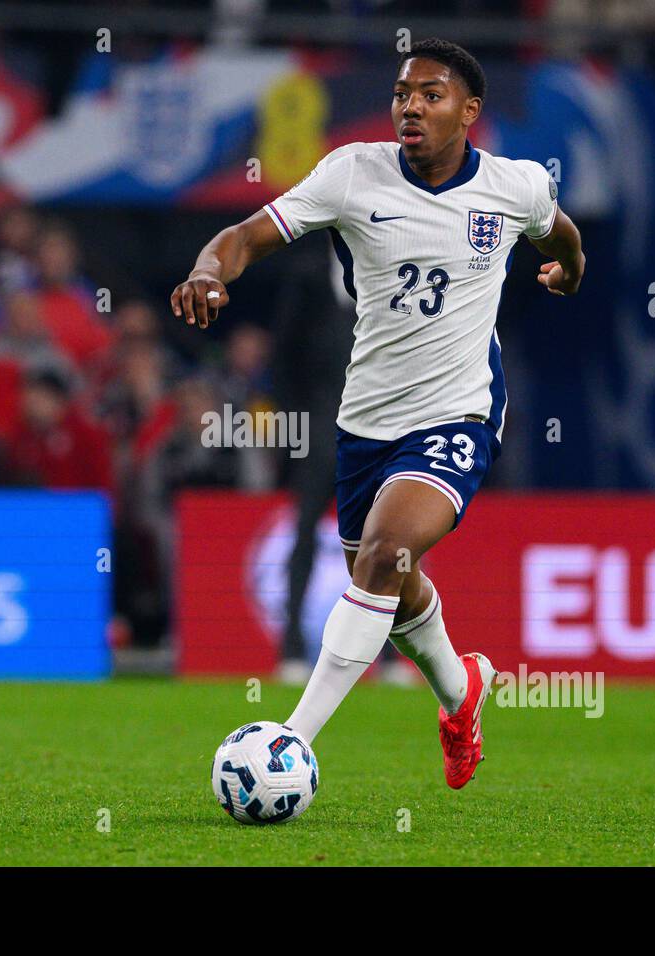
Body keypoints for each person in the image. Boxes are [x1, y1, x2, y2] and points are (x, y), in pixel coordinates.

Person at [170, 39, 585, 789]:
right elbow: (244, 238)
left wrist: (567, 272)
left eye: (430, 94)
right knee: (393, 578)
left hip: (460, 414)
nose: (410, 107)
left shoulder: (513, 185)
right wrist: (207, 269)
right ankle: (461, 695)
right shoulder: (350, 173)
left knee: (385, 554)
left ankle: (291, 742)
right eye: (402, 94)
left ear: (469, 111)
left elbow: (562, 233)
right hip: (365, 420)